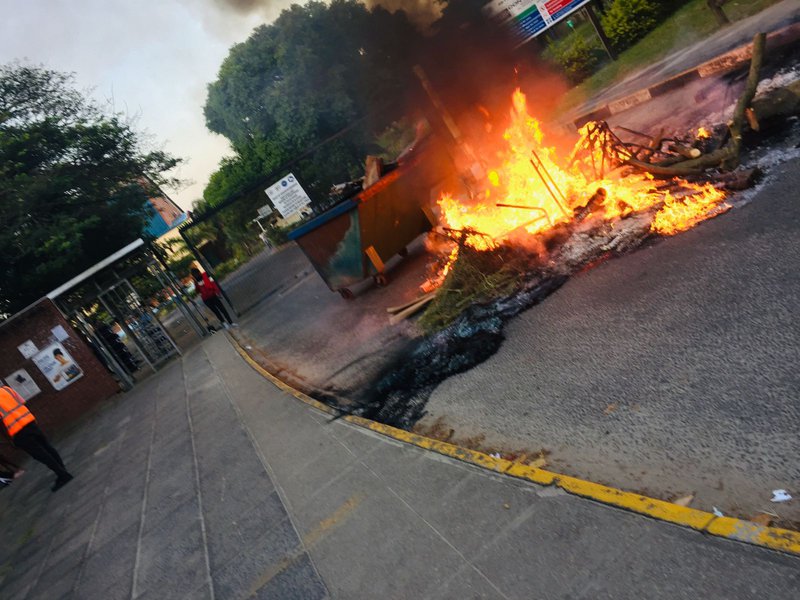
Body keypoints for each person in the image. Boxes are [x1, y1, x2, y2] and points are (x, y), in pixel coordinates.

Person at [0, 386, 73, 491]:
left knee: (41, 455)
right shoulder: (6, 389)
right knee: (47, 447)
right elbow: (22, 402)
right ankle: (62, 470)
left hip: (17, 432)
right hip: (29, 422)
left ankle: (63, 475)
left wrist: (9, 440)